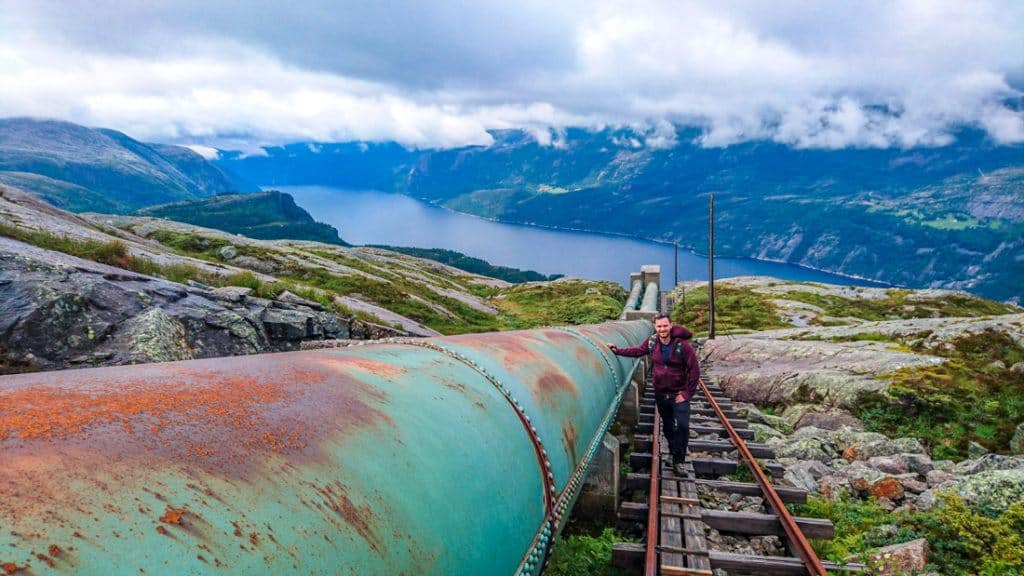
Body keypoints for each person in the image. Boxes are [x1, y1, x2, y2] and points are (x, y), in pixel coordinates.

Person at [608, 313, 700, 476]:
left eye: (665, 325)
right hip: (661, 393)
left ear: (671, 325)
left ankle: (679, 461)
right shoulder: (652, 342)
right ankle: (672, 452)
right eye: (659, 326)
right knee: (668, 426)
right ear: (655, 327)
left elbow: (694, 370)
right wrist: (618, 351)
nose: (662, 329)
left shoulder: (683, 345)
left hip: (678, 394)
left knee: (683, 426)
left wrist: (687, 393)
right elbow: (637, 351)